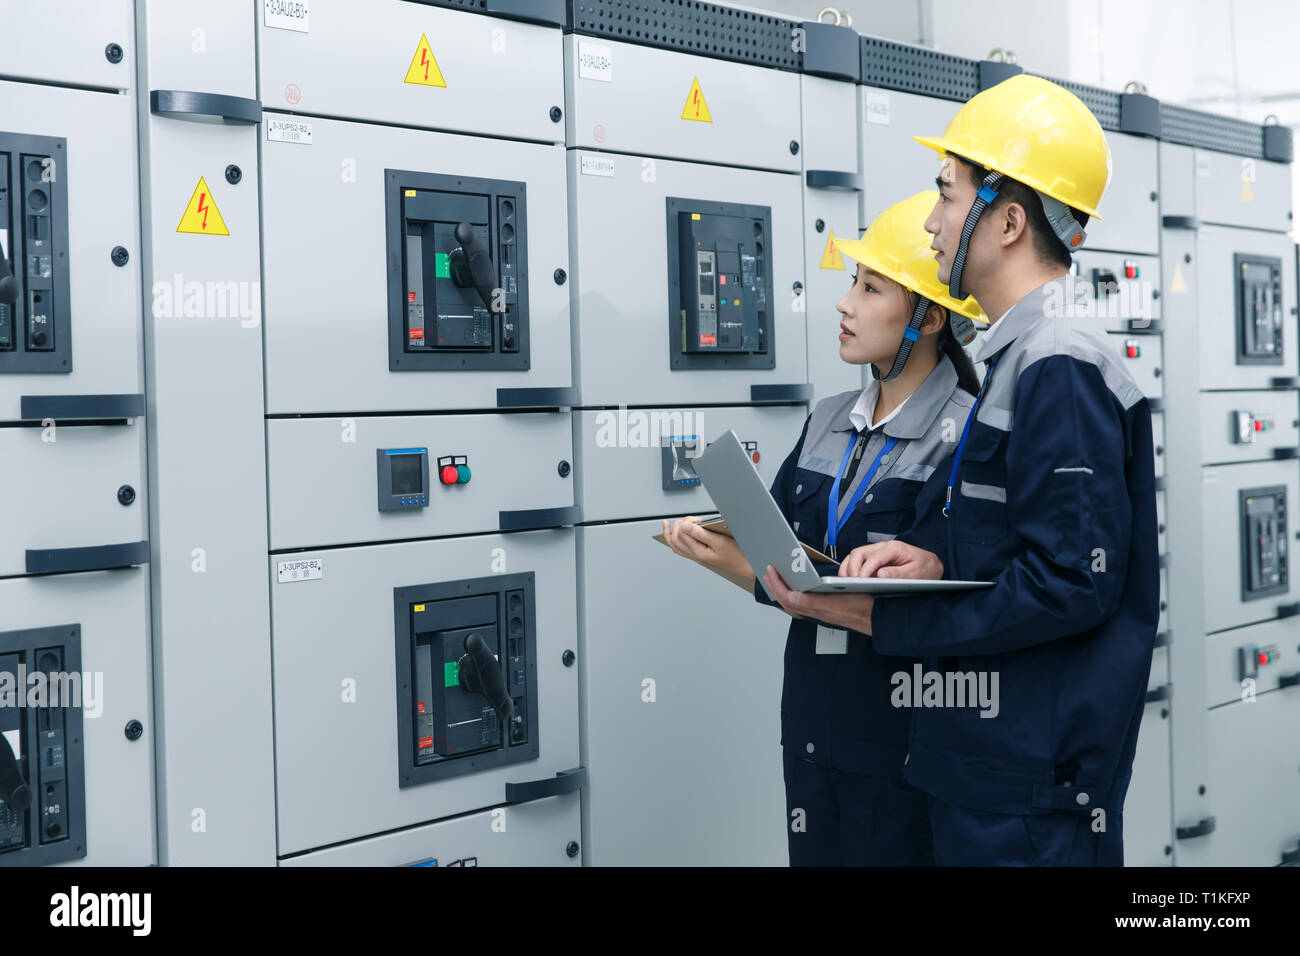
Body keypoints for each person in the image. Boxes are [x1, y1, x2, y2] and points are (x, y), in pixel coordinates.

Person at [760, 75, 1160, 866]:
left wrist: (888, 619)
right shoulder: (1016, 360)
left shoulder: (1060, 365)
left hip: (1028, 788)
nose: (934, 222)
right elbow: (1018, 531)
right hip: (986, 772)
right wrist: (936, 556)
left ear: (1009, 220)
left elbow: (1073, 582)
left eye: (947, 195)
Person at [662, 191, 986, 865]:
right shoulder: (828, 417)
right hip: (813, 731)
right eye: (851, 284)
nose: (845, 304)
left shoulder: (967, 435)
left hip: (905, 741)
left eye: (871, 288)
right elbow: (787, 567)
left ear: (926, 318)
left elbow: (940, 602)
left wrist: (789, 583)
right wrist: (710, 551)